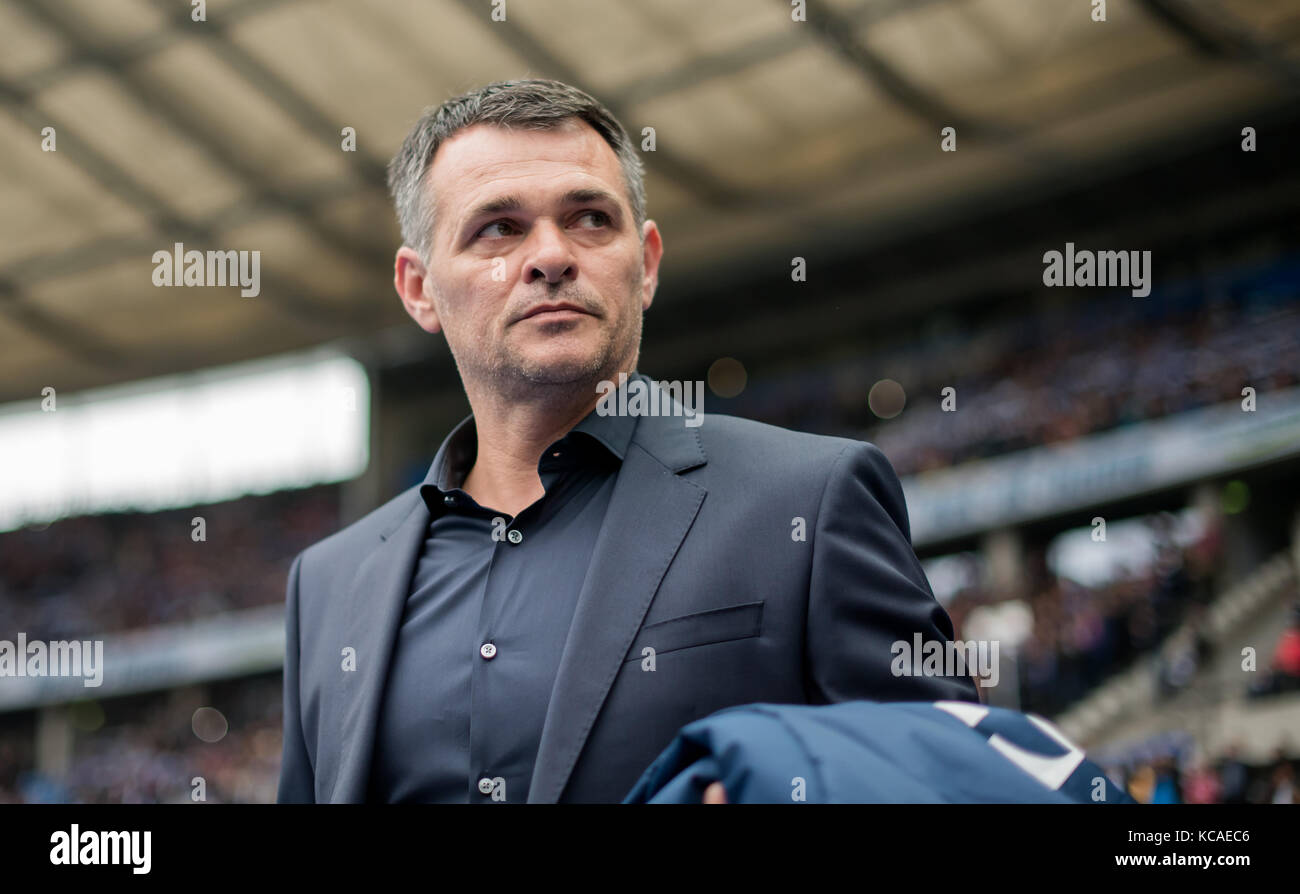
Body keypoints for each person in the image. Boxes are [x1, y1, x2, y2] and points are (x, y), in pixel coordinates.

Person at [277, 78, 977, 804]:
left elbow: (954, 778)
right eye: (499, 228)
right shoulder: (327, 587)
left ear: (645, 262)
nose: (550, 255)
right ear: (418, 288)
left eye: (588, 219)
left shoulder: (810, 499)